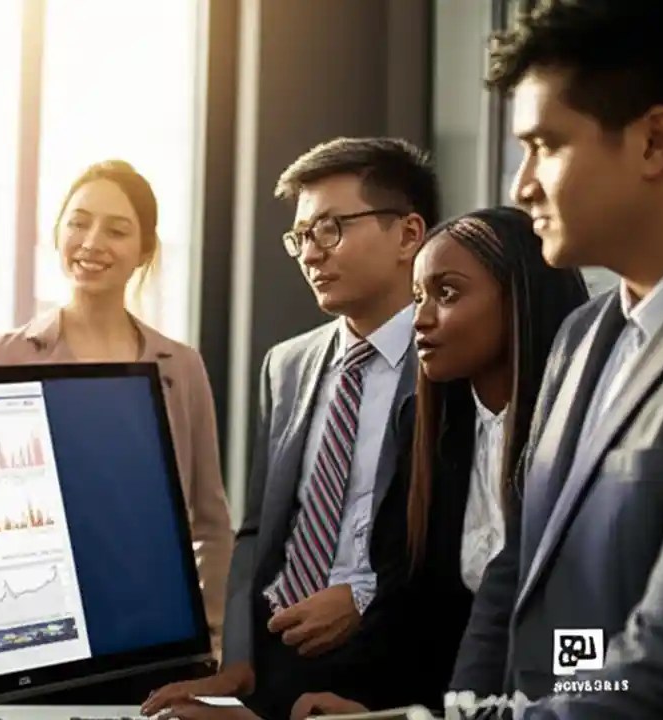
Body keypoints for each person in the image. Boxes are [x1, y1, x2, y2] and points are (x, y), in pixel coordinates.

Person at [447, 1, 663, 717]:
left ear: (653, 143)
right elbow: (529, 563)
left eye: (545, 145)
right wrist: (467, 702)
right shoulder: (583, 336)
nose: (520, 186)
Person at [144, 137, 439, 720]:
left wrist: (364, 595)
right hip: (274, 662)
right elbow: (257, 532)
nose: (311, 253)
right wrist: (237, 660)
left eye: (330, 229)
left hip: (387, 666)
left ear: (408, 235)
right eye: (301, 236)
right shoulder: (288, 364)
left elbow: (460, 537)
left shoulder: (445, 360)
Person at [289, 207, 588, 719]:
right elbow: (407, 598)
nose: (421, 319)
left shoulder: (583, 432)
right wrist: (365, 706)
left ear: (520, 297)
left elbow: (591, 638)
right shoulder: (427, 427)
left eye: (446, 294)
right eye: (418, 298)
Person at [0, 159, 234, 656]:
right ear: (57, 232)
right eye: (78, 222)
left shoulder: (180, 367)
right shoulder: (4, 356)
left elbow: (210, 520)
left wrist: (212, 632)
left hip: (155, 631)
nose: (91, 242)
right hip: (38, 631)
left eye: (116, 230)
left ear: (144, 251)